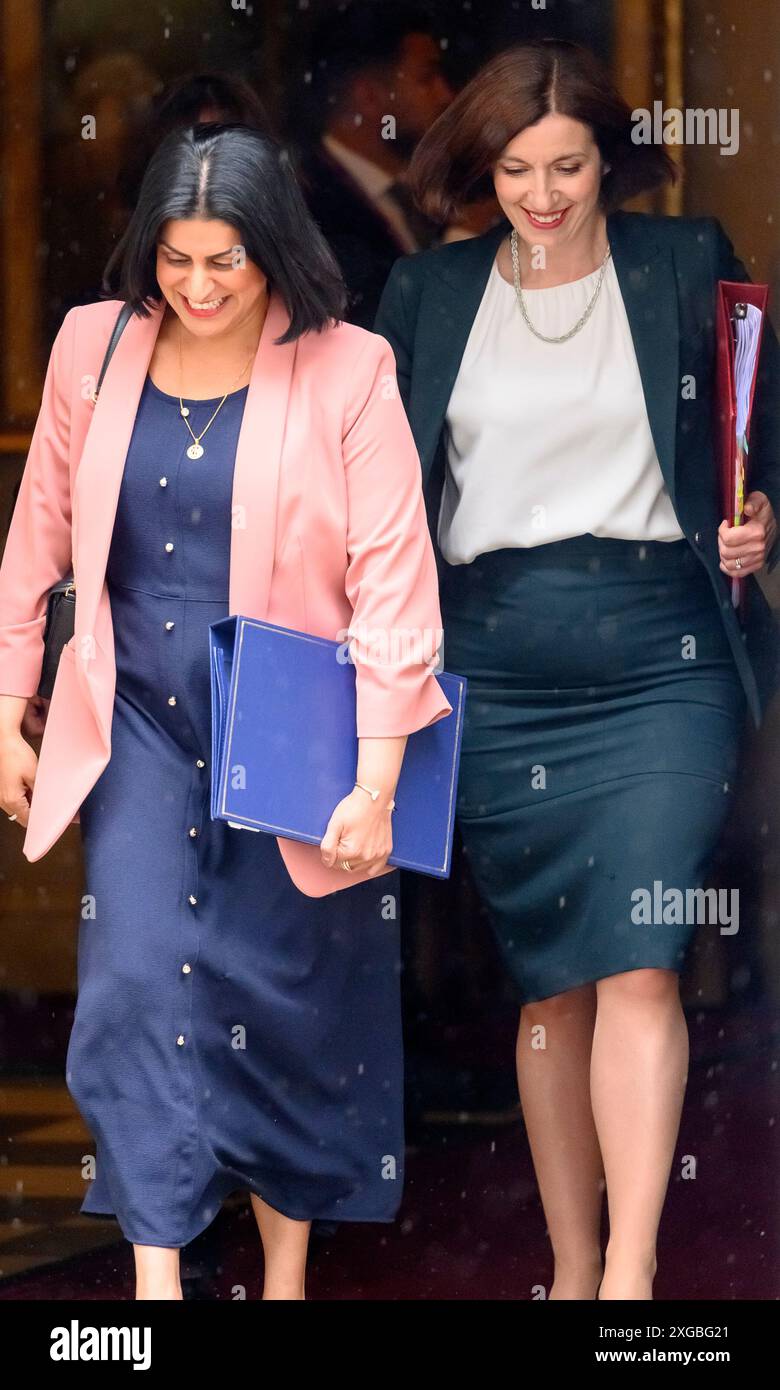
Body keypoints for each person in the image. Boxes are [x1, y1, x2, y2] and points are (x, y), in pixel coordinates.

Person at [0, 122, 451, 1300]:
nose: (198, 288)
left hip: (295, 729)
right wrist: (9, 699)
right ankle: (158, 1281)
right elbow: (37, 533)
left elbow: (395, 572)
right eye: (176, 260)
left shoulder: (348, 367)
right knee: (135, 983)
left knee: (287, 998)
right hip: (137, 718)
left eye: (226, 263)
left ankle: (285, 1273)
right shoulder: (89, 349)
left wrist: (379, 772)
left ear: (274, 254)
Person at [374, 38, 780, 1300]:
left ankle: (633, 1281)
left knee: (642, 953)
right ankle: (570, 1261)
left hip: (663, 655)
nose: (543, 194)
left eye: (568, 166)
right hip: (494, 663)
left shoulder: (685, 262)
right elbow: (377, 497)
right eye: (515, 169)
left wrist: (758, 512)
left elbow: (758, 444)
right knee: (551, 979)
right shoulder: (427, 295)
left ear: (612, 161)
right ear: (481, 168)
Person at [295, 1, 453, 327]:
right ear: (368, 97)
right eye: (426, 78)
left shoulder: (430, 192)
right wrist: (464, 239)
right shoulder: (308, 207)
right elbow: (378, 330)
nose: (445, 96)